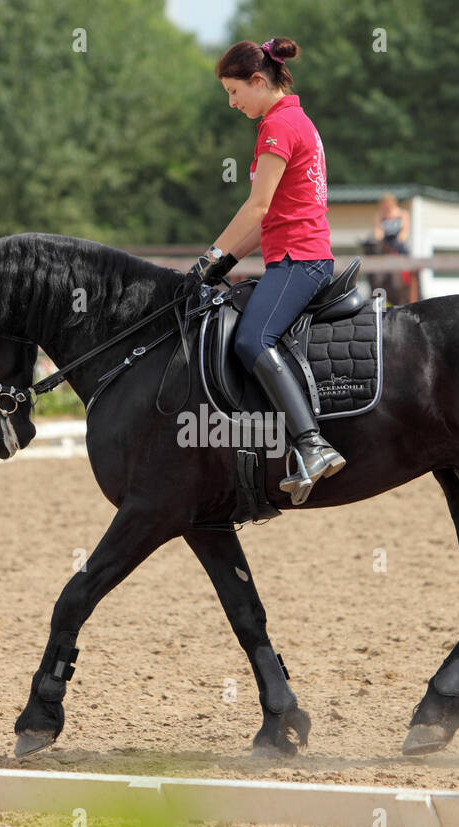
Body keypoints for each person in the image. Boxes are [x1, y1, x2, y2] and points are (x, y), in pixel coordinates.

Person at [189, 36, 344, 505]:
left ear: (259, 80)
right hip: (294, 254)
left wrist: (210, 255)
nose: (233, 103)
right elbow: (271, 216)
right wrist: (226, 265)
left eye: (234, 92)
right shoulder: (294, 120)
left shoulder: (277, 127)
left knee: (252, 339)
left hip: (301, 260)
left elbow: (256, 208)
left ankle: (312, 444)